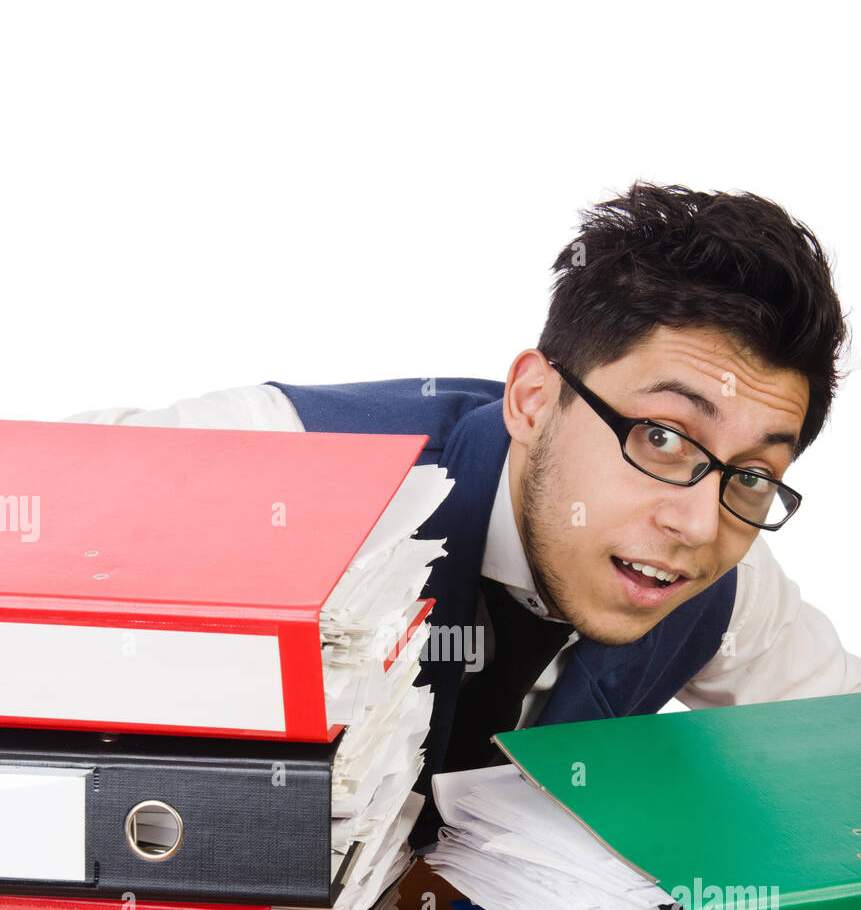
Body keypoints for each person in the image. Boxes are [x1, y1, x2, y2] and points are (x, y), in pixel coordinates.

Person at [66, 183, 861, 847]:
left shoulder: (726, 578)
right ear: (533, 399)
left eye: (753, 472)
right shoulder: (294, 461)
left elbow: (841, 754)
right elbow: (39, 498)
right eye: (660, 437)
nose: (696, 523)